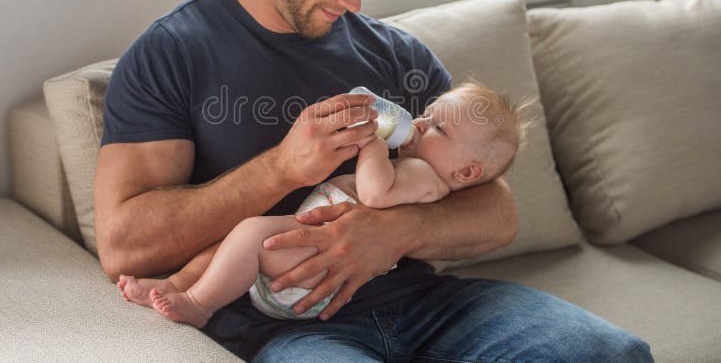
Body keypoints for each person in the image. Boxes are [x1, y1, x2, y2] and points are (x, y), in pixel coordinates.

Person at [94, 0, 653, 361]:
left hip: (429, 308)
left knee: (616, 354)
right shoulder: (173, 54)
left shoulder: (397, 56)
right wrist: (282, 169)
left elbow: (497, 210)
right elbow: (124, 247)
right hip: (293, 328)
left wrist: (393, 231)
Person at [116, 81, 528, 327]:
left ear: (467, 172)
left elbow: (373, 194)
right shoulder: (423, 165)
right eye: (425, 114)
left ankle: (199, 304)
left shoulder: (426, 177)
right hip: (306, 264)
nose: (419, 124)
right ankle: (173, 284)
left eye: (437, 127)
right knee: (235, 241)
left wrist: (373, 144)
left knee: (250, 234)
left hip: (311, 274)